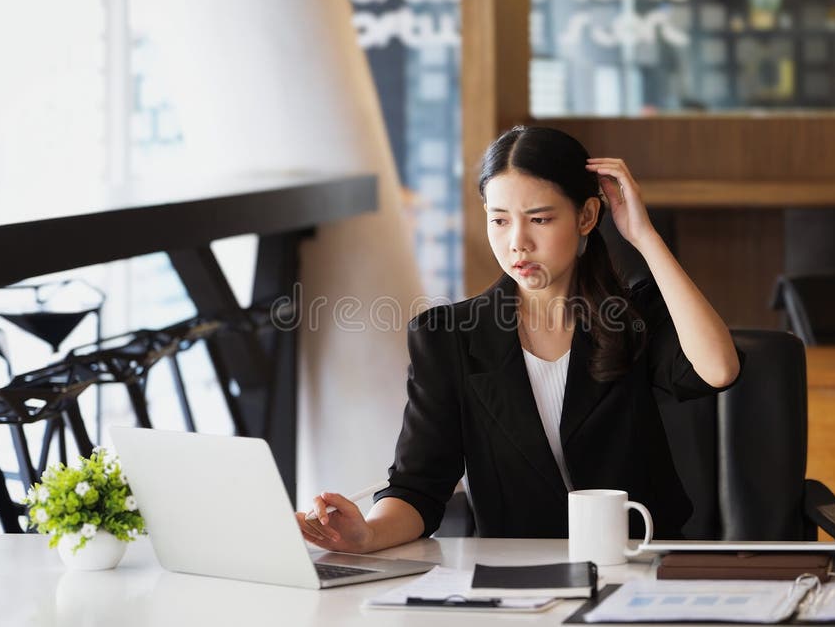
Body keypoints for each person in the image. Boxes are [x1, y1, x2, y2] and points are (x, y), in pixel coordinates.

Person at [296, 126, 741, 553]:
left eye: (540, 219)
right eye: (499, 220)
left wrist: (643, 236)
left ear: (586, 216)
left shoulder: (633, 316)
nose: (518, 242)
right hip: (519, 576)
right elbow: (418, 487)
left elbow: (719, 369)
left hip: (637, 565)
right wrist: (367, 535)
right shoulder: (447, 337)